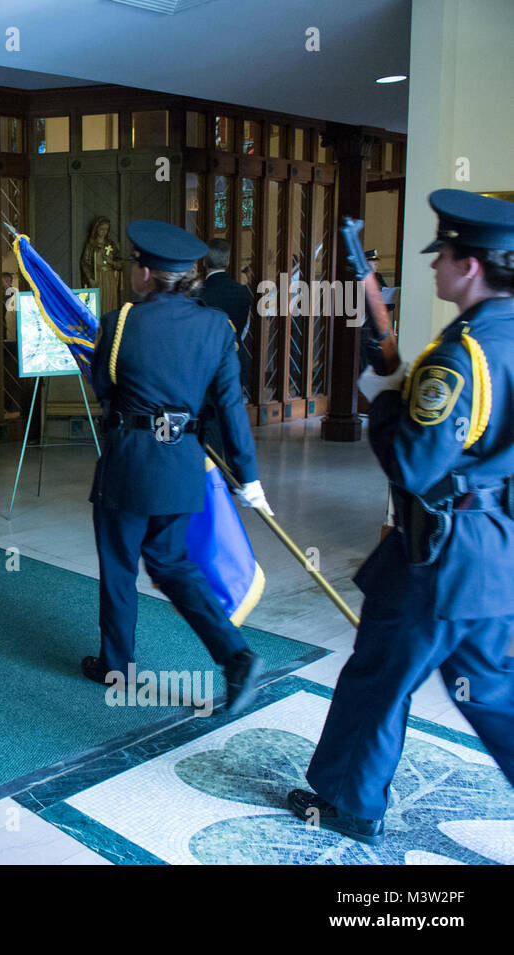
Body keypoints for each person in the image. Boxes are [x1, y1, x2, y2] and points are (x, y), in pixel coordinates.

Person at [289, 189, 514, 845]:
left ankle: (349, 803)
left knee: (380, 677)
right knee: (491, 690)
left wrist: (386, 396)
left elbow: (412, 466)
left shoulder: (461, 354)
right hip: (494, 550)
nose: (436, 265)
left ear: (469, 264)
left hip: (438, 558)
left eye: (442, 253)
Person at [86, 220, 272, 712]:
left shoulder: (119, 322)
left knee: (120, 565)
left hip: (129, 464)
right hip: (184, 464)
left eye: (132, 264)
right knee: (172, 565)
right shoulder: (217, 327)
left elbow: (103, 390)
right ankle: (234, 655)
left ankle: (117, 666)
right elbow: (232, 406)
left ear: (145, 272)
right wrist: (249, 477)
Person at [197, 238, 255, 452]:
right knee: (230, 414)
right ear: (228, 261)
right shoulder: (241, 292)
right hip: (233, 359)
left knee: (208, 418)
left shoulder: (199, 293)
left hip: (205, 364)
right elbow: (244, 329)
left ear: (204, 262)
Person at [81, 216, 122, 314]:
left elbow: (120, 263)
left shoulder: (111, 244)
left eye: (106, 229)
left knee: (109, 302)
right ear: (96, 229)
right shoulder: (91, 245)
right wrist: (90, 279)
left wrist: (111, 262)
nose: (104, 232)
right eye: (101, 229)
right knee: (97, 304)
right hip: (97, 277)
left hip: (109, 278)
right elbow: (85, 263)